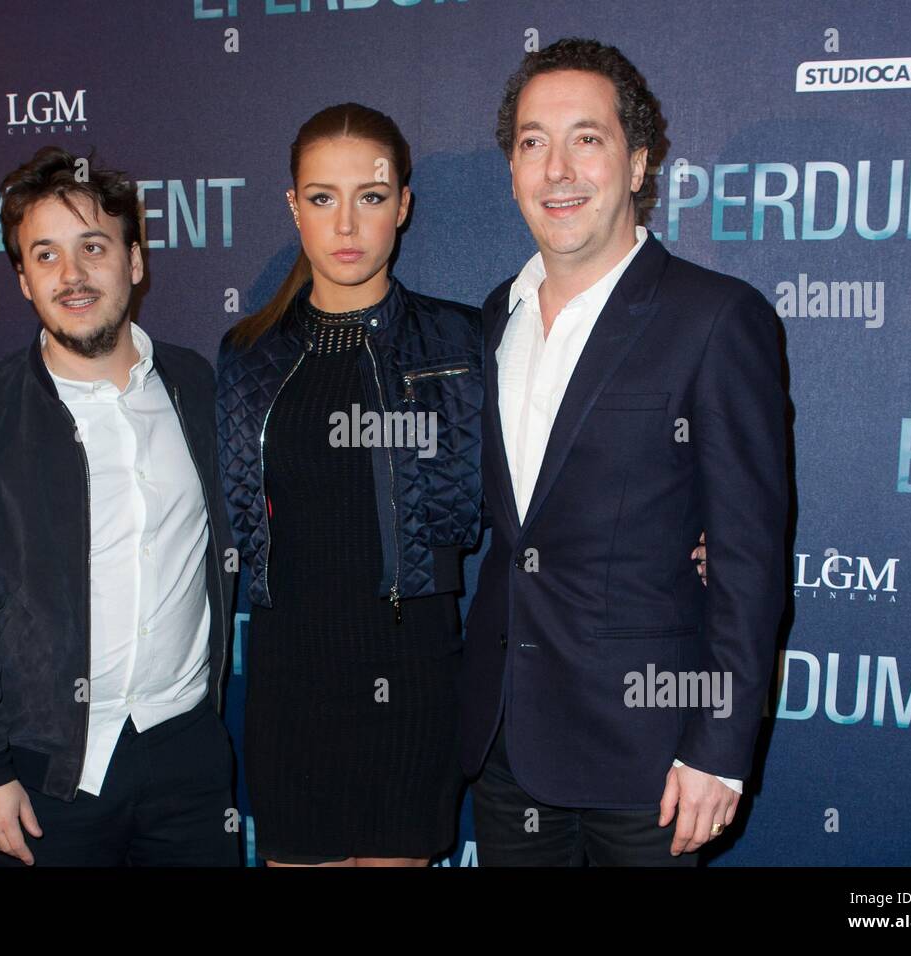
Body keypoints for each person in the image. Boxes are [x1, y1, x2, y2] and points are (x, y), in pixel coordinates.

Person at [459, 38, 788, 866]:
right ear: (512, 169)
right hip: (506, 743)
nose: (557, 168)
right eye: (533, 142)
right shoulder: (494, 316)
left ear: (638, 164)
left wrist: (719, 747)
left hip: (652, 758)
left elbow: (748, 561)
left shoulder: (715, 319)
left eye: (588, 138)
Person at [0, 146, 240, 866]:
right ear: (24, 280)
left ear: (135, 259)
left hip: (186, 751)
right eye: (46, 255)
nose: (72, 276)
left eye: (93, 246)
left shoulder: (196, 386)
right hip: (47, 771)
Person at [216, 103, 483, 867]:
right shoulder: (247, 356)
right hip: (291, 679)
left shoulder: (461, 342)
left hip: (413, 674)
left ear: (401, 206)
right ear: (293, 207)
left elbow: (534, 479)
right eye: (322, 197)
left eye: (369, 196)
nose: (346, 224)